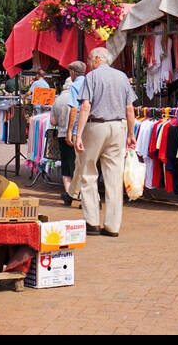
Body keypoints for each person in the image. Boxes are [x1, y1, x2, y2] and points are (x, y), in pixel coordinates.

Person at [73, 47, 137, 237]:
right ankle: (112, 225)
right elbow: (129, 108)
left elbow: (86, 106)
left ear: (97, 59)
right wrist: (131, 133)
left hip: (95, 126)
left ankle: (92, 222)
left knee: (88, 173)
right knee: (114, 177)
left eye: (90, 60)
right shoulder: (122, 77)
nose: (89, 64)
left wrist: (78, 134)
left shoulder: (91, 78)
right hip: (117, 127)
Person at [49, 61, 86, 206]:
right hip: (83, 133)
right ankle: (78, 195)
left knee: (67, 166)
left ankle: (70, 195)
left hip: (66, 134)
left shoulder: (58, 100)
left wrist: (69, 130)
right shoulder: (88, 86)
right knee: (81, 166)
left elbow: (53, 121)